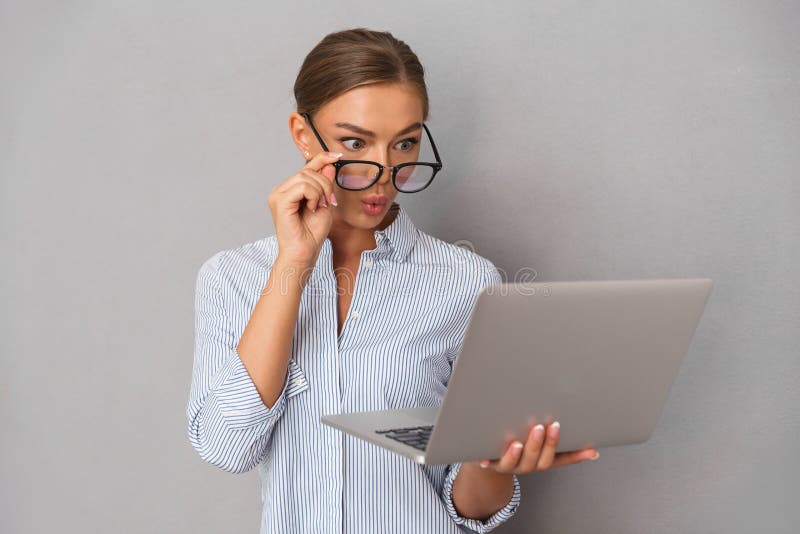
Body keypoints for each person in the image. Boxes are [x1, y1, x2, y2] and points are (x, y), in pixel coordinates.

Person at [186, 27, 599, 534]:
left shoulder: (466, 281)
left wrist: (491, 463)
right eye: (356, 142)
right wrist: (293, 261)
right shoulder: (234, 279)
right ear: (302, 135)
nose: (385, 171)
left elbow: (471, 507)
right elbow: (225, 447)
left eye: (405, 143)